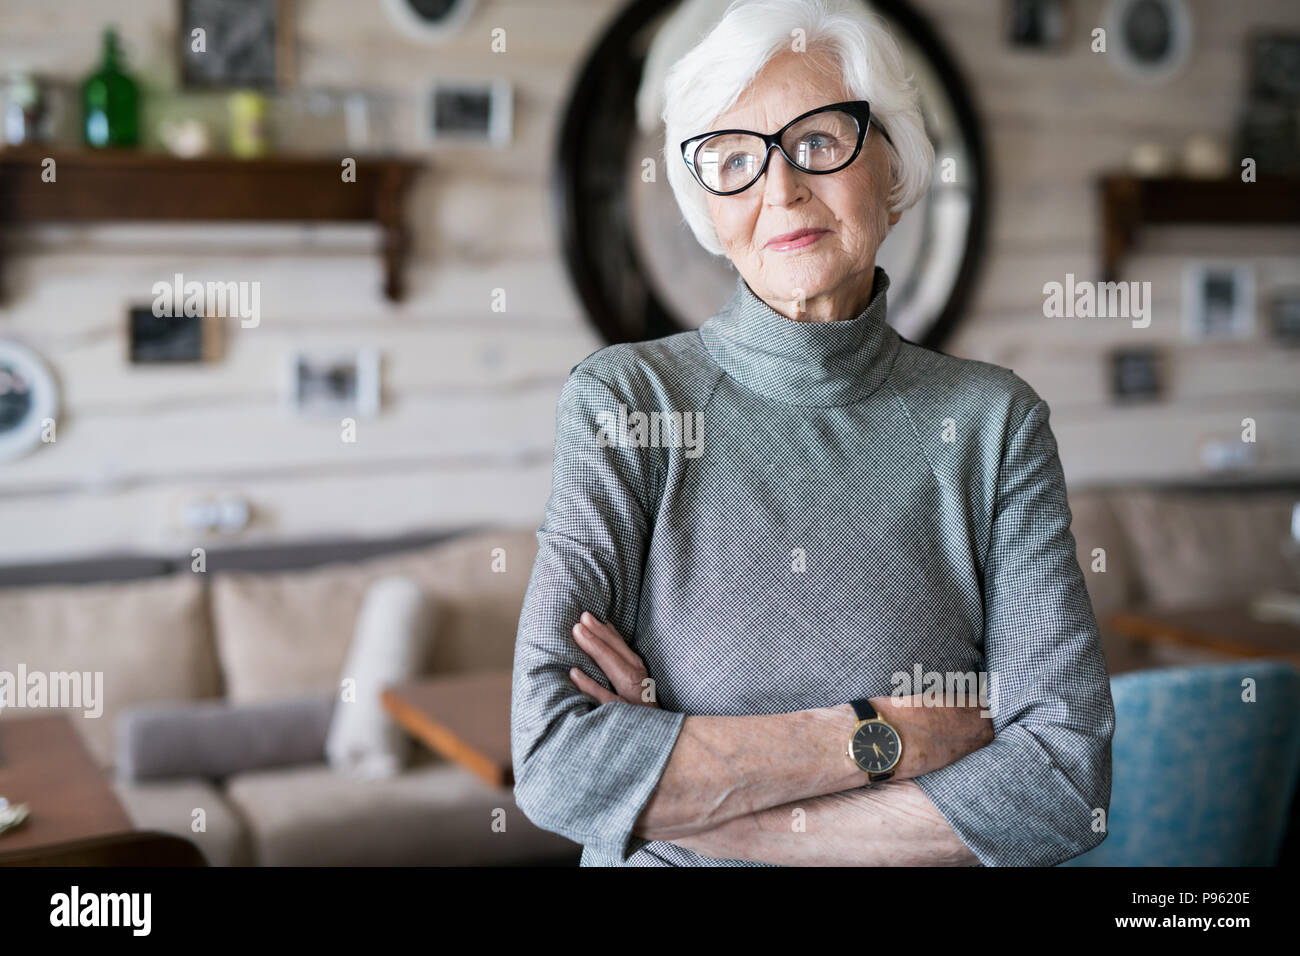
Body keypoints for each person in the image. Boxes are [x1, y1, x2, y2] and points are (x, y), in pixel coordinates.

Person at [510, 0, 1114, 867]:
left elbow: (1064, 784)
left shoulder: (994, 423)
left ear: (893, 162)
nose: (780, 190)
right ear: (705, 206)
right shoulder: (625, 402)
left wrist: (704, 801)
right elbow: (555, 761)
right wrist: (885, 736)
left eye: (820, 142)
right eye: (732, 161)